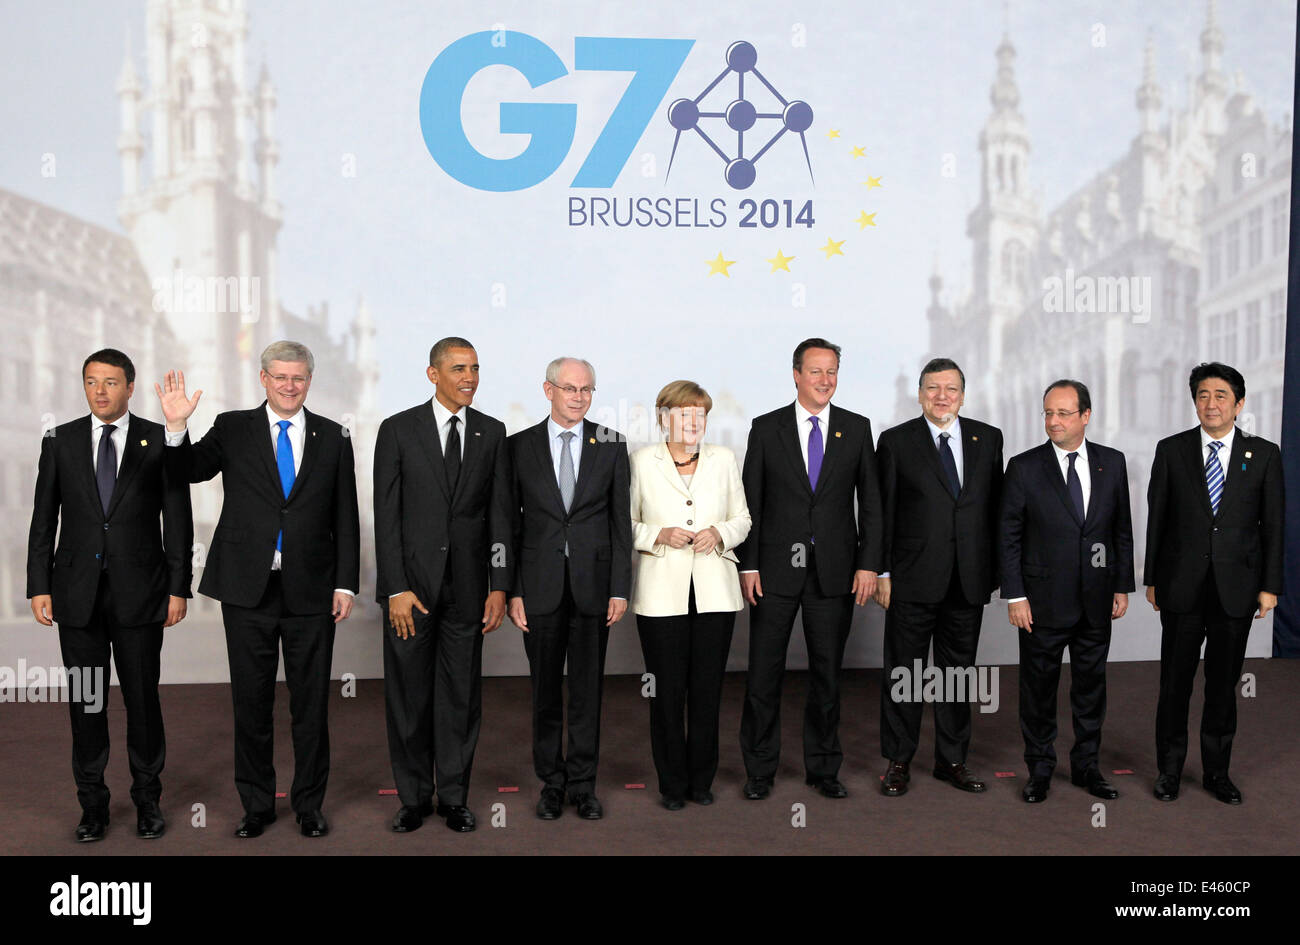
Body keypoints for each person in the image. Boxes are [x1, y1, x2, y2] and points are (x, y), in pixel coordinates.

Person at [156, 341, 359, 839]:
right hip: (248, 588)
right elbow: (185, 472)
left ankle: (310, 805)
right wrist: (177, 427)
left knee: (310, 705)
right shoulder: (232, 428)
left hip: (312, 590)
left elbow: (346, 515)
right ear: (263, 378)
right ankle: (257, 806)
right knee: (251, 702)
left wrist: (346, 583)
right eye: (281, 377)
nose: (291, 386)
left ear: (309, 381)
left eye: (300, 378)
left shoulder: (335, 435)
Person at [27, 349, 192, 842]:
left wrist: (178, 587)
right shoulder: (59, 441)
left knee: (142, 700)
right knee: (87, 702)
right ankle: (93, 806)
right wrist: (39, 584)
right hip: (76, 595)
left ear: (130, 387)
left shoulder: (158, 439)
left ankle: (147, 802)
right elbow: (43, 519)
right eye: (92, 382)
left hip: (142, 594)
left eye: (111, 382)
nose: (100, 391)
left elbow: (177, 518)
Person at [375, 337, 513, 833]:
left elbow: (500, 517)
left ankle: (453, 797)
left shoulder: (492, 432)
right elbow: (385, 517)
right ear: (433, 374)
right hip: (410, 594)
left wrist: (499, 584)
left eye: (475, 368)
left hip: (469, 593)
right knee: (410, 698)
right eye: (459, 369)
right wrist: (394, 588)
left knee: (460, 698)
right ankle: (413, 799)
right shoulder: (397, 430)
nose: (470, 378)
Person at [737, 338, 882, 800]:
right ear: (796, 374)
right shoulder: (766, 427)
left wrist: (869, 566)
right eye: (816, 371)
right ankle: (760, 770)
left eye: (832, 371)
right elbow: (751, 500)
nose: (825, 380)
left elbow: (872, 507)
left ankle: (823, 769)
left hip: (835, 574)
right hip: (775, 572)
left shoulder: (857, 429)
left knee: (827, 676)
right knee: (763, 674)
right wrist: (750, 564)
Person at [1145, 362, 1284, 805]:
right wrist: (1152, 579)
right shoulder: (1171, 450)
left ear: (1239, 404)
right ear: (1194, 401)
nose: (1212, 404)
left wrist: (1269, 586)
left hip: (1237, 590)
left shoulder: (1264, 454)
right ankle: (1168, 771)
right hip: (1182, 588)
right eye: (1204, 395)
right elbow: (1158, 520)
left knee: (1224, 686)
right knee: (1174, 684)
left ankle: (1216, 773)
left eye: (1221, 395)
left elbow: (1274, 527)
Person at [508, 357, 631, 821]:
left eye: (587, 390)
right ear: (548, 390)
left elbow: (621, 523)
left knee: (586, 692)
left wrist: (620, 588)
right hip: (537, 592)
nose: (579, 397)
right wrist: (513, 589)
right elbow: (507, 523)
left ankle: (583, 785)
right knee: (544, 693)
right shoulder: (517, 447)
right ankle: (550, 785)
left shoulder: (612, 444)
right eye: (569, 388)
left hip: (594, 590)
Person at [1000, 379, 1133, 803]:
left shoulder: (1112, 463)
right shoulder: (1023, 467)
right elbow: (1008, 536)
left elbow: (1121, 530)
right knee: (1038, 691)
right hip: (1040, 604)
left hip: (1096, 600)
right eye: (1047, 413)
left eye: (1062, 414)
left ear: (1086, 416)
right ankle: (1039, 770)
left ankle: (1086, 768)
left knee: (1090, 690)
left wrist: (1121, 585)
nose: (1053, 422)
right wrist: (1015, 595)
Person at [874, 358, 1003, 797]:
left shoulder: (989, 439)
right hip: (911, 579)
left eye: (950, 388)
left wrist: (999, 573)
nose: (942, 396)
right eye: (933, 388)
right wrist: (882, 571)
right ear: (920, 394)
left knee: (957, 674)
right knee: (905, 673)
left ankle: (952, 760)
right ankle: (897, 760)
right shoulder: (894, 442)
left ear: (963, 395)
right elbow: (881, 514)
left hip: (968, 580)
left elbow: (996, 510)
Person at [630, 381, 751, 810]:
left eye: (700, 415)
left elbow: (743, 518)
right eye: (684, 414)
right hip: (661, 595)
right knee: (666, 694)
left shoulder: (723, 459)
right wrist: (657, 533)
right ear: (664, 418)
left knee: (706, 692)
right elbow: (624, 522)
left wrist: (720, 533)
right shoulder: (642, 461)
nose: (693, 423)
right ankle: (671, 785)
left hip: (715, 595)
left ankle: (702, 781)